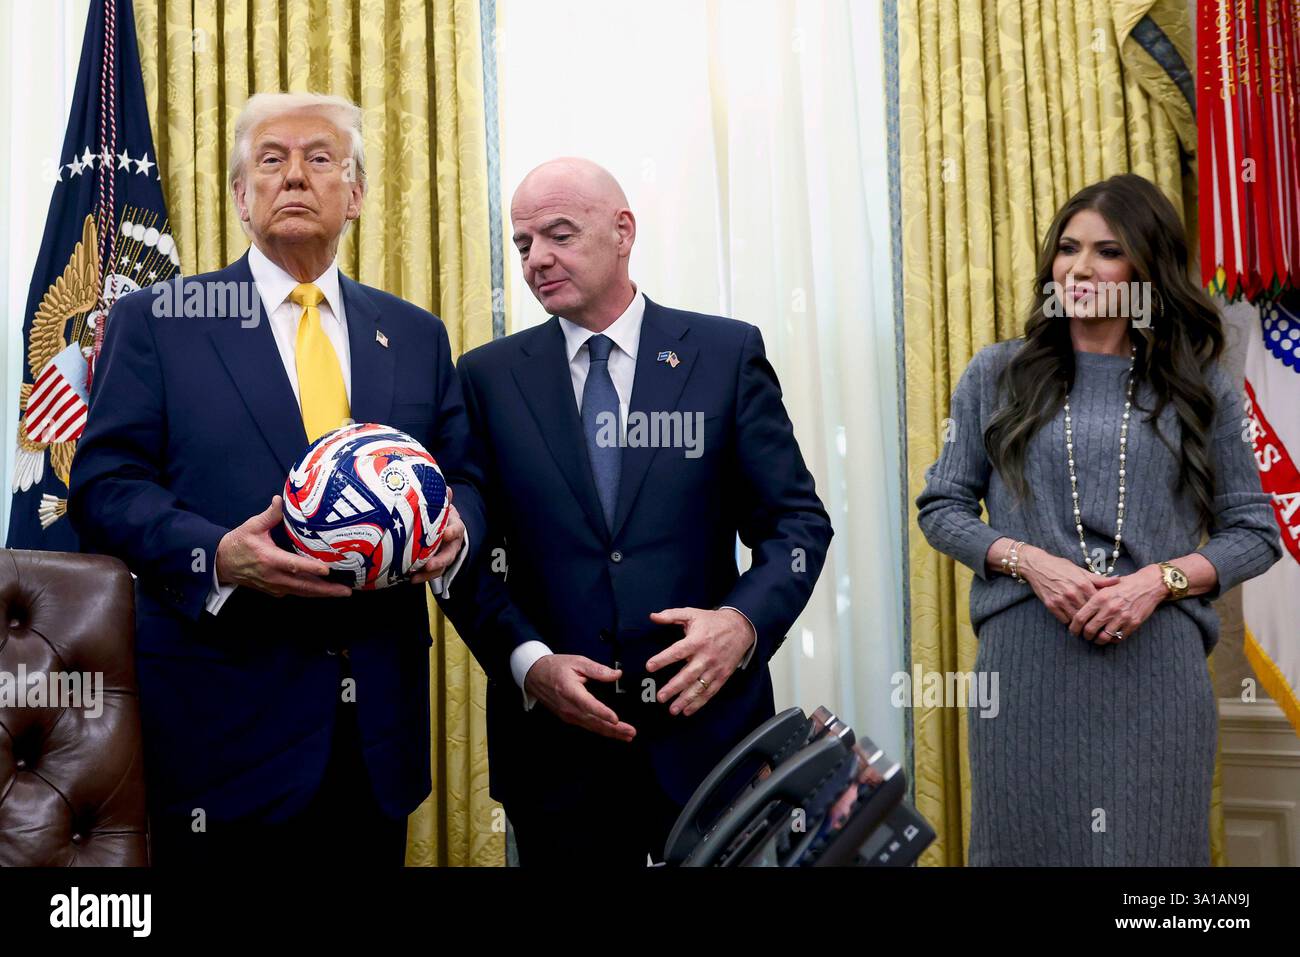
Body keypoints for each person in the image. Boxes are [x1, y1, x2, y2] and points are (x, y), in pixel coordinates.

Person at [68, 92, 484, 866]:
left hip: (374, 740)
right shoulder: (159, 320)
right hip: (218, 735)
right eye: (271, 160)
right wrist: (219, 555)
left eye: (320, 158)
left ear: (355, 194)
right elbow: (103, 487)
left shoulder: (416, 335)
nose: (294, 175)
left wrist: (458, 530)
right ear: (240, 195)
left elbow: (465, 477)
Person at [442, 157, 833, 866]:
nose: (537, 259)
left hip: (711, 741)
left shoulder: (724, 353)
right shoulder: (486, 378)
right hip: (558, 757)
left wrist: (740, 623)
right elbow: (458, 556)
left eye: (559, 235)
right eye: (523, 243)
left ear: (623, 231)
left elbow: (797, 525)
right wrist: (528, 663)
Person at [916, 173, 1282, 866]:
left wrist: (1157, 582)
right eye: (1068, 248)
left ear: (1147, 267)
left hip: (1157, 677)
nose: (1080, 268)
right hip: (1026, 675)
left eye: (1107, 251)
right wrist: (1031, 561)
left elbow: (1254, 531)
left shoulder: (1198, 387)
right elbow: (943, 506)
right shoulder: (996, 374)